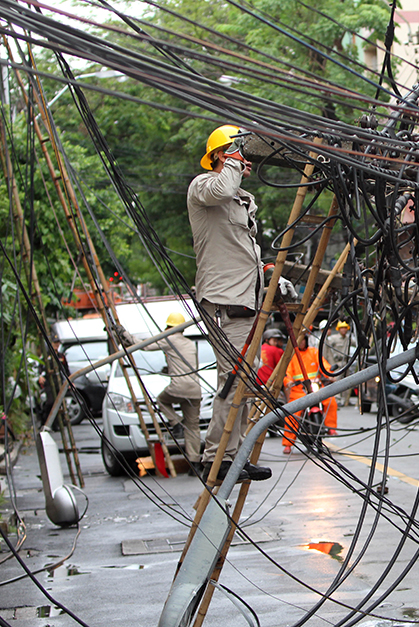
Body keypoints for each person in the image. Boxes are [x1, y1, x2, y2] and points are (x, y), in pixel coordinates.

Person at [188, 124, 271, 484]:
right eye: (240, 153)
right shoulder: (204, 187)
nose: (246, 161)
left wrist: (268, 277)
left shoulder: (240, 199)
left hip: (246, 302)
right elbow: (222, 185)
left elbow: (243, 253)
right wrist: (234, 157)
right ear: (222, 155)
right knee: (232, 379)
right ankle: (216, 457)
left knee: (245, 382)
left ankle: (234, 455)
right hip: (223, 302)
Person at [114, 314, 203, 469]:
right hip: (195, 389)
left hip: (178, 387)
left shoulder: (169, 338)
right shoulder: (189, 343)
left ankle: (176, 422)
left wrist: (123, 333)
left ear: (169, 327)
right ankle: (194, 461)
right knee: (193, 426)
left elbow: (145, 345)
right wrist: (169, 369)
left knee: (162, 400)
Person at [282, 328, 338, 453]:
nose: (302, 343)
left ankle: (331, 428)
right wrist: (289, 381)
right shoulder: (292, 356)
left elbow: (324, 366)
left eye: (303, 340)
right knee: (292, 414)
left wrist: (331, 375)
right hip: (299, 390)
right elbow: (287, 374)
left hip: (316, 388)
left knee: (331, 402)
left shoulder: (313, 352)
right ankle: (288, 443)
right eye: (299, 341)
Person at [325, 321, 354, 404]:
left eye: (345, 328)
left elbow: (357, 344)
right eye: (342, 328)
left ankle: (346, 400)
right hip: (338, 363)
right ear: (338, 329)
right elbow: (327, 347)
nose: (344, 330)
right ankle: (337, 399)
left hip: (346, 363)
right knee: (337, 381)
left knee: (348, 382)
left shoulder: (349, 338)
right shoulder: (334, 338)